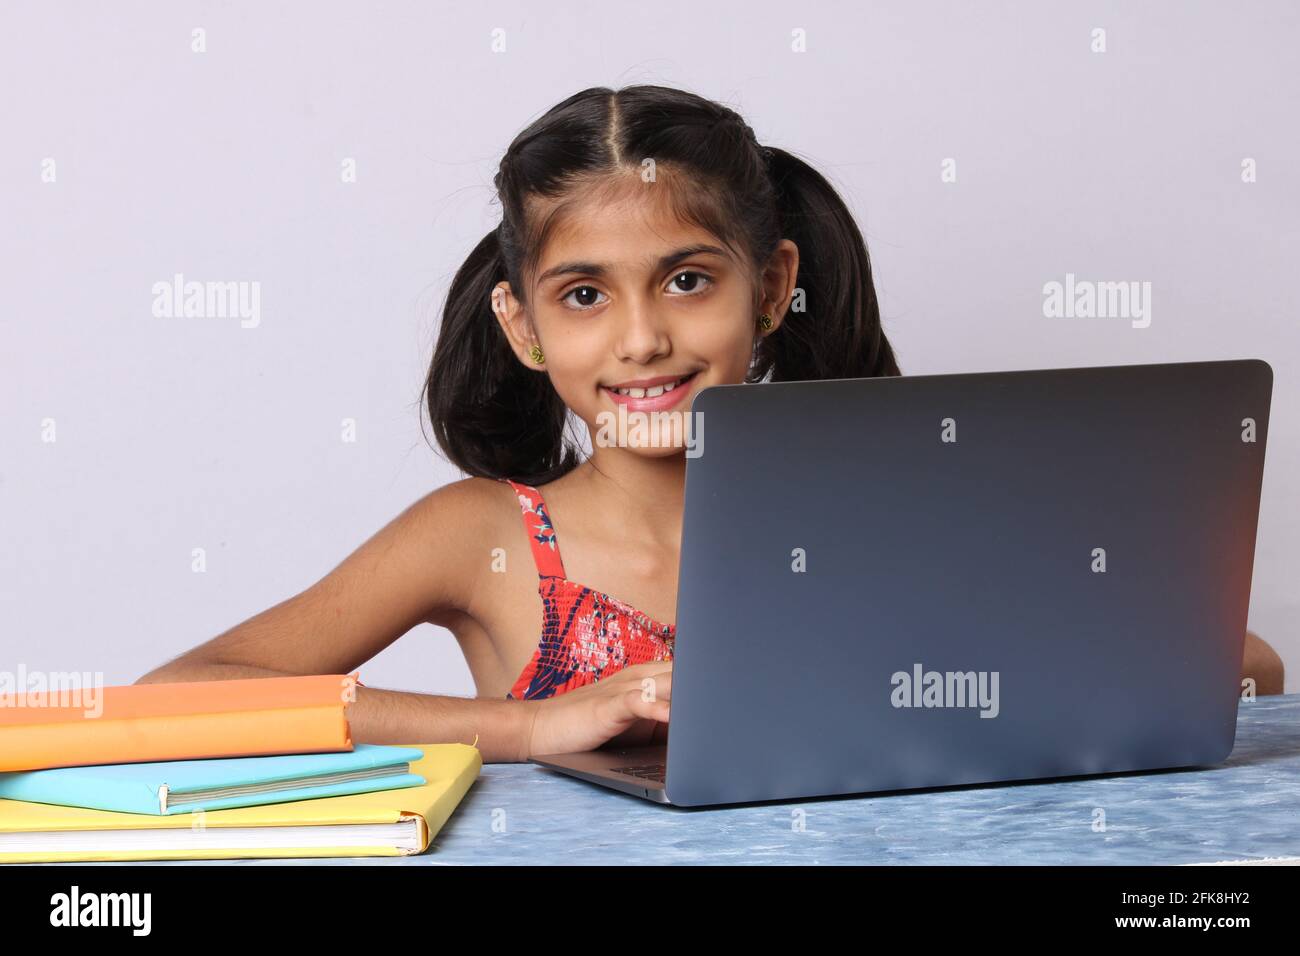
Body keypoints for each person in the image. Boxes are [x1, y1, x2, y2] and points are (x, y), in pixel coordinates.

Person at [137, 85, 1283, 762]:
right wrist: (524, 727)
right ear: (522, 324)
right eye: (583, 295)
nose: (641, 338)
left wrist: (973, 661)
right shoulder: (483, 535)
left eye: (687, 280)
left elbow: (1249, 667)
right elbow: (176, 695)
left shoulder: (879, 515)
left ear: (771, 286)